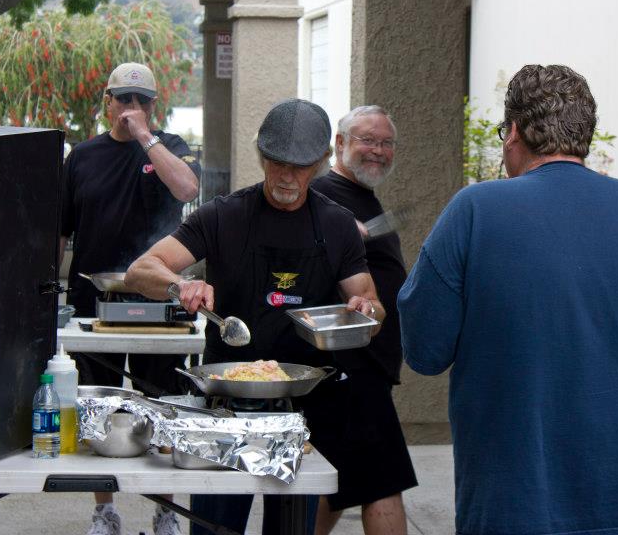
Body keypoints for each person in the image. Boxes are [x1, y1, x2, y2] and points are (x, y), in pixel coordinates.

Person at [398, 64, 618, 535]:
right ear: (585, 134)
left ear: (515, 132)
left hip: (519, 502)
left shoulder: (475, 210)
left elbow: (424, 352)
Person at [124, 98, 385, 535]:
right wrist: (179, 285)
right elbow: (140, 270)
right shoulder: (225, 215)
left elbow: (370, 304)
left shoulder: (337, 225)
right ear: (262, 156)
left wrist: (365, 311)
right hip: (226, 405)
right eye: (277, 162)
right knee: (214, 528)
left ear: (321, 162)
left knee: (290, 528)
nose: (286, 176)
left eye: (300, 166)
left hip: (304, 407)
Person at [60, 62, 199, 535]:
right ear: (107, 101)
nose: (132, 109)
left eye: (143, 101)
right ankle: (105, 510)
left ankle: (166, 510)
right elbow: (60, 230)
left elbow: (187, 189)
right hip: (93, 294)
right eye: (124, 99)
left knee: (163, 405)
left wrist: (146, 138)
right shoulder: (81, 156)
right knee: (98, 408)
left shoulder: (169, 148)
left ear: (155, 106)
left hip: (157, 296)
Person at [309, 105, 417, 535]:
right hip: (350, 364)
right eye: (368, 140)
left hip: (364, 361)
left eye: (386, 142)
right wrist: (329, 226)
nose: (379, 150)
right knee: (382, 481)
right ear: (340, 144)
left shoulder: (360, 196)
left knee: (337, 480)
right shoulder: (322, 195)